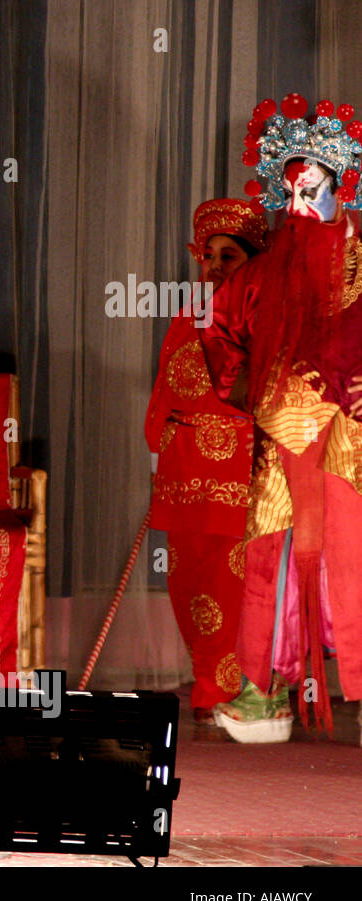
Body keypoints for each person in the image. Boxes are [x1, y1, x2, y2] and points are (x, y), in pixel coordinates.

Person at [199, 93, 362, 744]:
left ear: (344, 190)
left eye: (313, 191)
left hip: (351, 440)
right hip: (282, 440)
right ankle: (263, 695)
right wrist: (254, 393)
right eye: (291, 193)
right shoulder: (259, 275)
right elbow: (220, 339)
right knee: (272, 560)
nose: (298, 207)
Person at [144, 198, 266, 724]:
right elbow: (165, 387)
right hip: (182, 470)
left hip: (235, 470)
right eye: (209, 256)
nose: (215, 267)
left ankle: (229, 694)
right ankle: (208, 686)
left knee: (229, 582)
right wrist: (159, 441)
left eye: (230, 257)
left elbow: (259, 393)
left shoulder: (262, 312)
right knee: (188, 581)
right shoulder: (189, 307)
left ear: (252, 262)